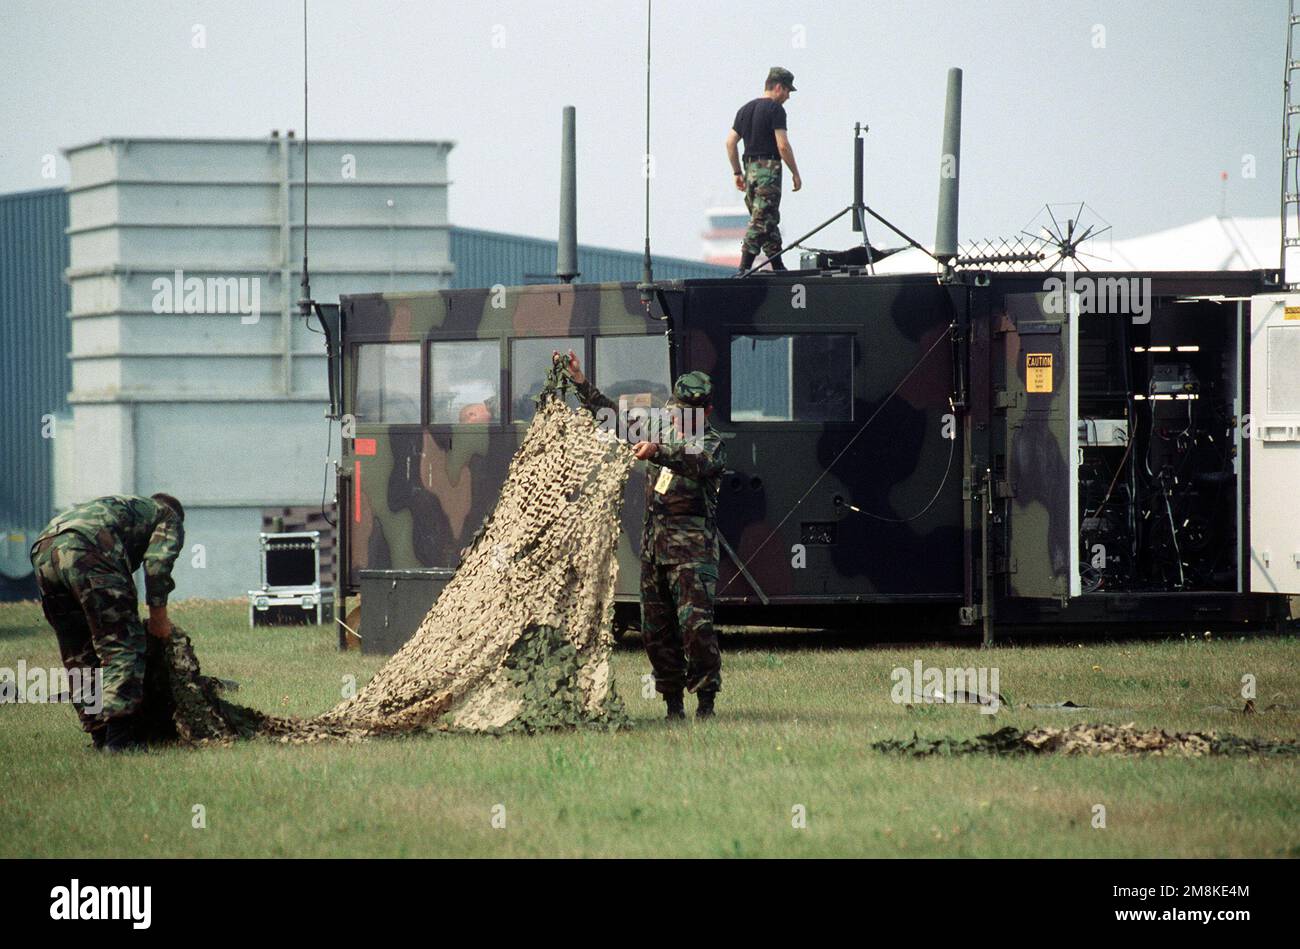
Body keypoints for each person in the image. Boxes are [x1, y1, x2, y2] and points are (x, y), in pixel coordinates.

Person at [557, 351, 726, 720]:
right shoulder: (660, 431)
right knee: (656, 632)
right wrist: (581, 383)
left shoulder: (711, 443)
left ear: (705, 413)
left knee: (695, 630)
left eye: (687, 411)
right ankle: (673, 705)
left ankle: (706, 703)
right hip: (654, 553)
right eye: (676, 408)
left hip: (692, 556)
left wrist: (658, 451)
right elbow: (613, 420)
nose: (678, 415)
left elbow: (694, 460)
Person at [29, 494, 185, 752]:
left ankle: (99, 734)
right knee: (122, 644)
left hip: (44, 549)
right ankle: (121, 741)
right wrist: (159, 618)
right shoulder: (167, 516)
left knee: (78, 651)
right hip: (88, 549)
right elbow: (158, 565)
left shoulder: (123, 506)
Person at [726, 66, 803, 275]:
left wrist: (737, 172)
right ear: (778, 87)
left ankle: (778, 266)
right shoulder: (775, 110)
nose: (788, 96)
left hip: (750, 169)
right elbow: (783, 146)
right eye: (787, 91)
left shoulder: (745, 110)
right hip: (768, 170)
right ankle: (744, 267)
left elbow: (730, 142)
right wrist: (795, 172)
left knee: (767, 218)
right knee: (761, 220)